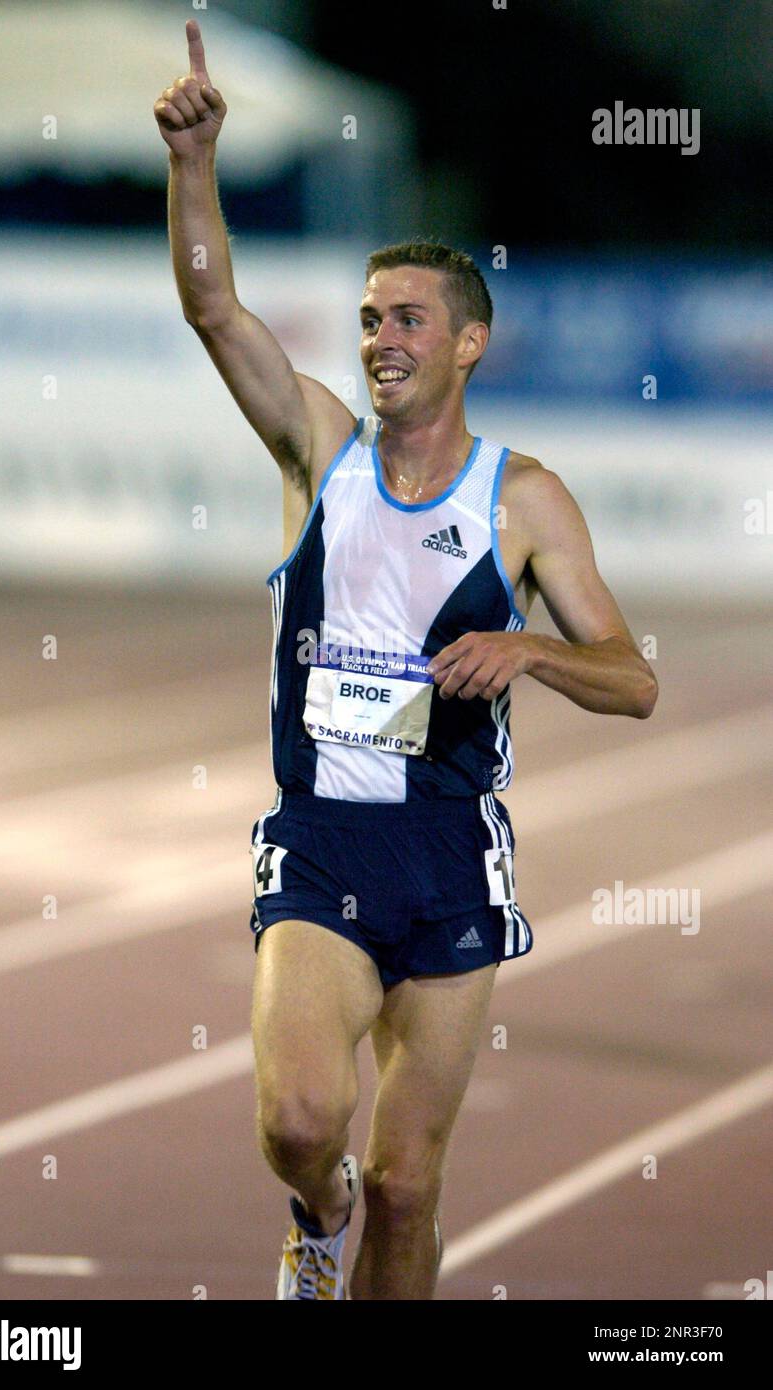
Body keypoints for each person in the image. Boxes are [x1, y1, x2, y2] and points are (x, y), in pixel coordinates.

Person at [154, 19, 659, 1302]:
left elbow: (633, 678)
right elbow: (215, 305)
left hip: (448, 853)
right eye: (371, 316)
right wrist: (194, 161)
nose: (380, 337)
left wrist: (531, 647)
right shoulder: (320, 451)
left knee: (412, 1186)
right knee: (306, 1123)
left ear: (467, 343)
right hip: (322, 835)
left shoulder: (525, 498)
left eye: (408, 319)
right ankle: (310, 1218)